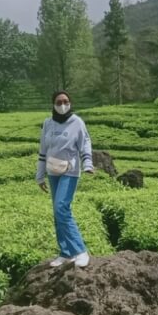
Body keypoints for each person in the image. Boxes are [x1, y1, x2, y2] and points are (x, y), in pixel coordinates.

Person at [35, 90, 95, 268]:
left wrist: (88, 164)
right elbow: (43, 150)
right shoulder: (48, 123)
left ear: (70, 103)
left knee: (62, 207)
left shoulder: (76, 122)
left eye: (66, 101)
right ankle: (66, 252)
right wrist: (40, 176)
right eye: (59, 102)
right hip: (53, 170)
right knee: (57, 211)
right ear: (53, 104)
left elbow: (85, 143)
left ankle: (80, 250)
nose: (63, 105)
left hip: (70, 170)